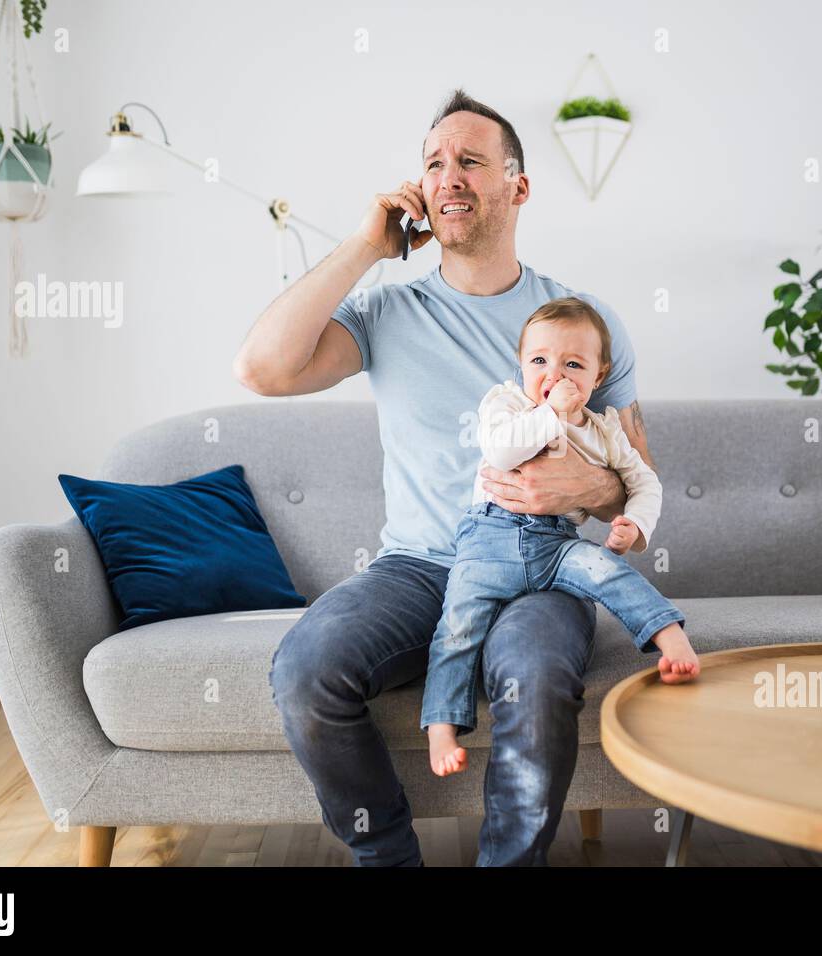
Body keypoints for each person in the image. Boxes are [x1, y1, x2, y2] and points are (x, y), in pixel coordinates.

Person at [235, 88, 659, 866]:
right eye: (433, 164)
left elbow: (635, 479)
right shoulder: (385, 311)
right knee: (305, 670)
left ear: (518, 187)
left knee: (533, 679)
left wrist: (584, 491)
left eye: (470, 160)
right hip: (417, 569)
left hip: (542, 572)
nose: (448, 176)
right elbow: (261, 369)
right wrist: (365, 245)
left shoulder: (582, 326)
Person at [422, 297, 700, 778]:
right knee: (458, 627)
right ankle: (442, 725)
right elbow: (502, 450)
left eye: (573, 364)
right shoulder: (506, 404)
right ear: (520, 363)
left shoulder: (604, 430)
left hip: (556, 543)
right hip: (489, 538)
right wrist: (551, 412)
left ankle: (670, 637)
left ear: (599, 374)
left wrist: (636, 523)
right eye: (539, 361)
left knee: (609, 572)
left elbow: (644, 481)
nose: (555, 373)